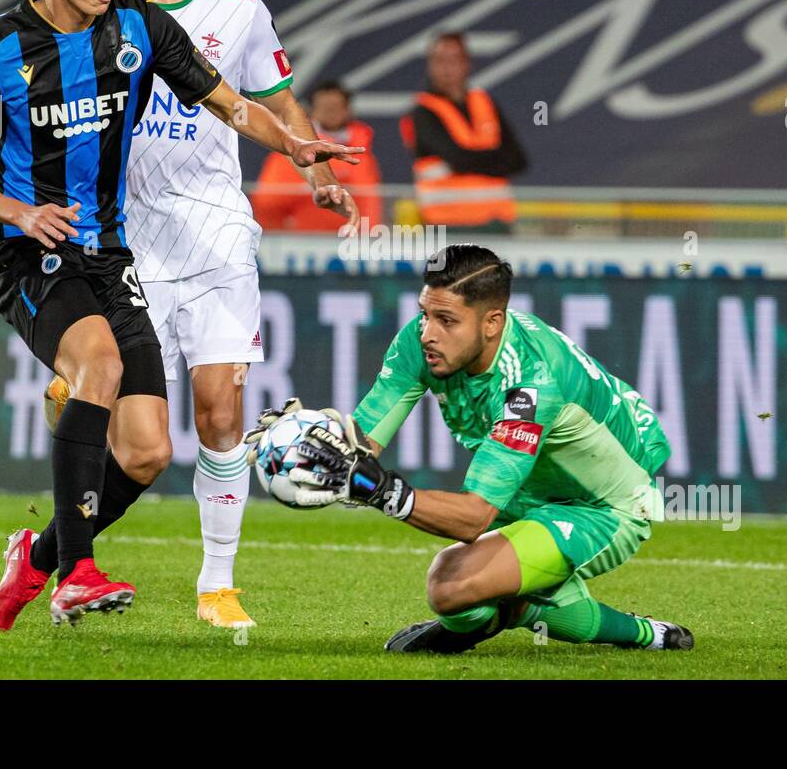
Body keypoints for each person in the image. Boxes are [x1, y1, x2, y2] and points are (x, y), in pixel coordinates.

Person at [0, 0, 361, 630]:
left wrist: (293, 146)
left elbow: (229, 103)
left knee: (143, 454)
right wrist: (19, 211)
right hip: (25, 251)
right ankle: (78, 575)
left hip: (109, 252)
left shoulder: (138, 22)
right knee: (97, 366)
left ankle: (32, 562)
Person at [248, 244, 693, 654]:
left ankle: (642, 633)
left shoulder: (531, 383)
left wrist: (381, 491)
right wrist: (307, 444)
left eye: (446, 321)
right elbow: (363, 442)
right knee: (471, 597)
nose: (427, 333)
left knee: (451, 587)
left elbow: (473, 517)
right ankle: (520, 608)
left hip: (600, 507)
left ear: (492, 322)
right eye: (425, 314)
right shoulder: (419, 343)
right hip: (526, 492)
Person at [400, 33, 528, 232]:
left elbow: (518, 160)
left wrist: (470, 160)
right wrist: (494, 160)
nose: (447, 68)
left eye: (454, 60)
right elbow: (458, 159)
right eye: (440, 60)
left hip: (496, 222)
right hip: (446, 224)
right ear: (430, 65)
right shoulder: (423, 111)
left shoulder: (484, 102)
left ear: (467, 63)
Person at [253, 80, 384, 232]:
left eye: (336, 107)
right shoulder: (293, 150)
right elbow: (267, 202)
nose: (331, 113)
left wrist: (372, 236)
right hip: (304, 244)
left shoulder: (362, 150)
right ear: (310, 110)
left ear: (348, 110)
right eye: (325, 108)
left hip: (355, 244)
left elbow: (371, 202)